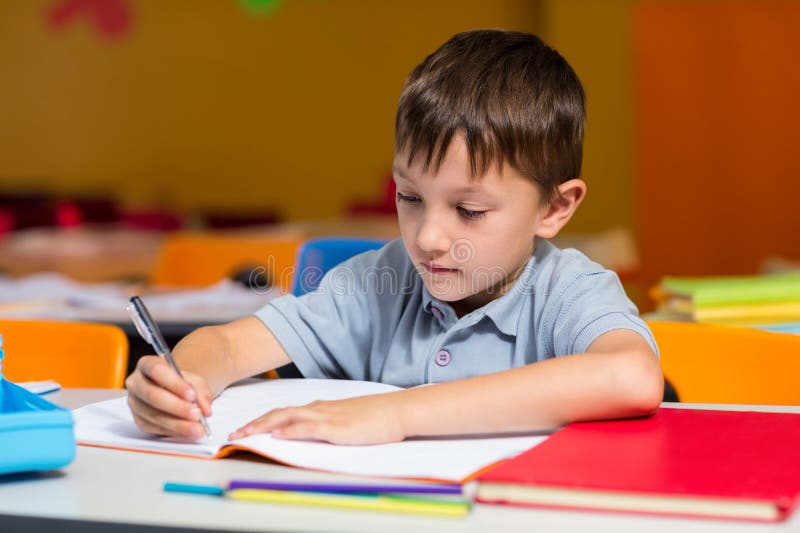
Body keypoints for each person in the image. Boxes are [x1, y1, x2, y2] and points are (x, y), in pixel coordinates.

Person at [126, 29, 663, 445]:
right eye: (409, 198)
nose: (428, 237)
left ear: (555, 207)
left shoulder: (566, 291)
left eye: (469, 210)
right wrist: (180, 381)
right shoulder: (377, 284)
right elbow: (225, 343)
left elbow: (632, 376)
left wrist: (398, 412)